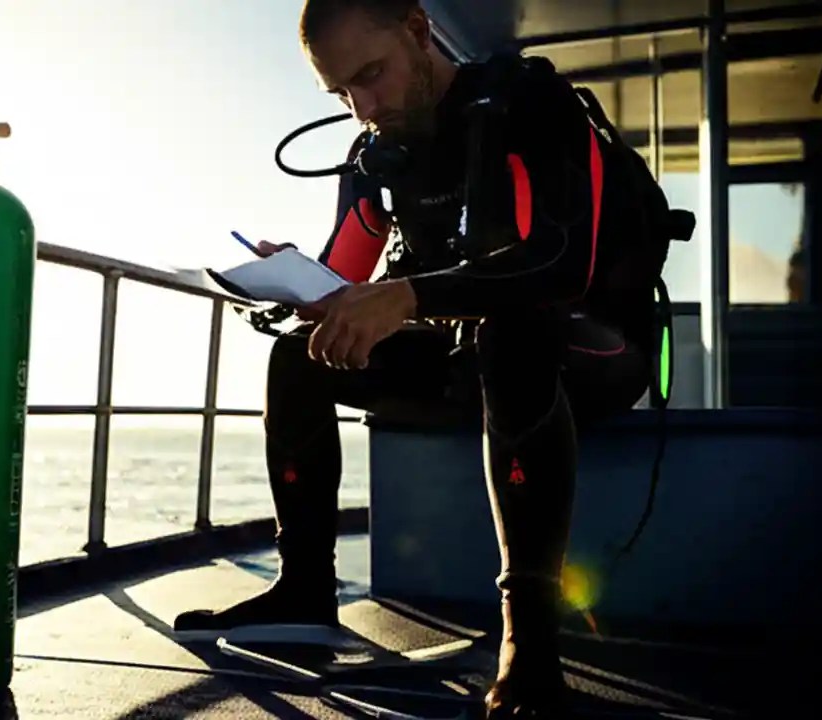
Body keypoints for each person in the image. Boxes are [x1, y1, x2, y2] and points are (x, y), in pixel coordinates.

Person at [173, 1, 670, 716]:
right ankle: (305, 589)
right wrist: (305, 284)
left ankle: (530, 642)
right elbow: (348, 278)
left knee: (514, 332)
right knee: (297, 359)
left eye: (372, 75)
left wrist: (406, 296)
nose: (364, 107)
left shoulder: (529, 103)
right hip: (468, 354)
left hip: (595, 349)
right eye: (342, 93)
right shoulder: (374, 158)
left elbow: (562, 263)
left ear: (416, 30)